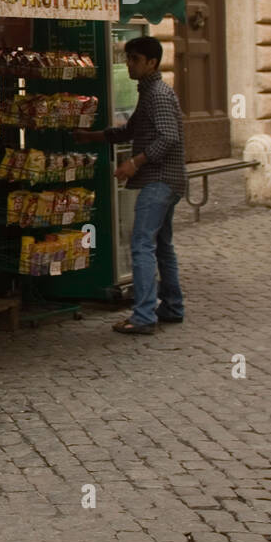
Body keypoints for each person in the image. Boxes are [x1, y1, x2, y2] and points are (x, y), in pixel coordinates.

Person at [73, 35, 185, 335]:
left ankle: (144, 316)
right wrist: (92, 137)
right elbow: (131, 130)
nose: (128, 64)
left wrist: (134, 163)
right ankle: (172, 306)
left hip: (159, 181)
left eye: (134, 59)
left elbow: (168, 136)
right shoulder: (150, 92)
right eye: (128, 58)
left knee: (141, 245)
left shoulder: (158, 94)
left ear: (152, 62)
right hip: (167, 181)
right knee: (161, 245)